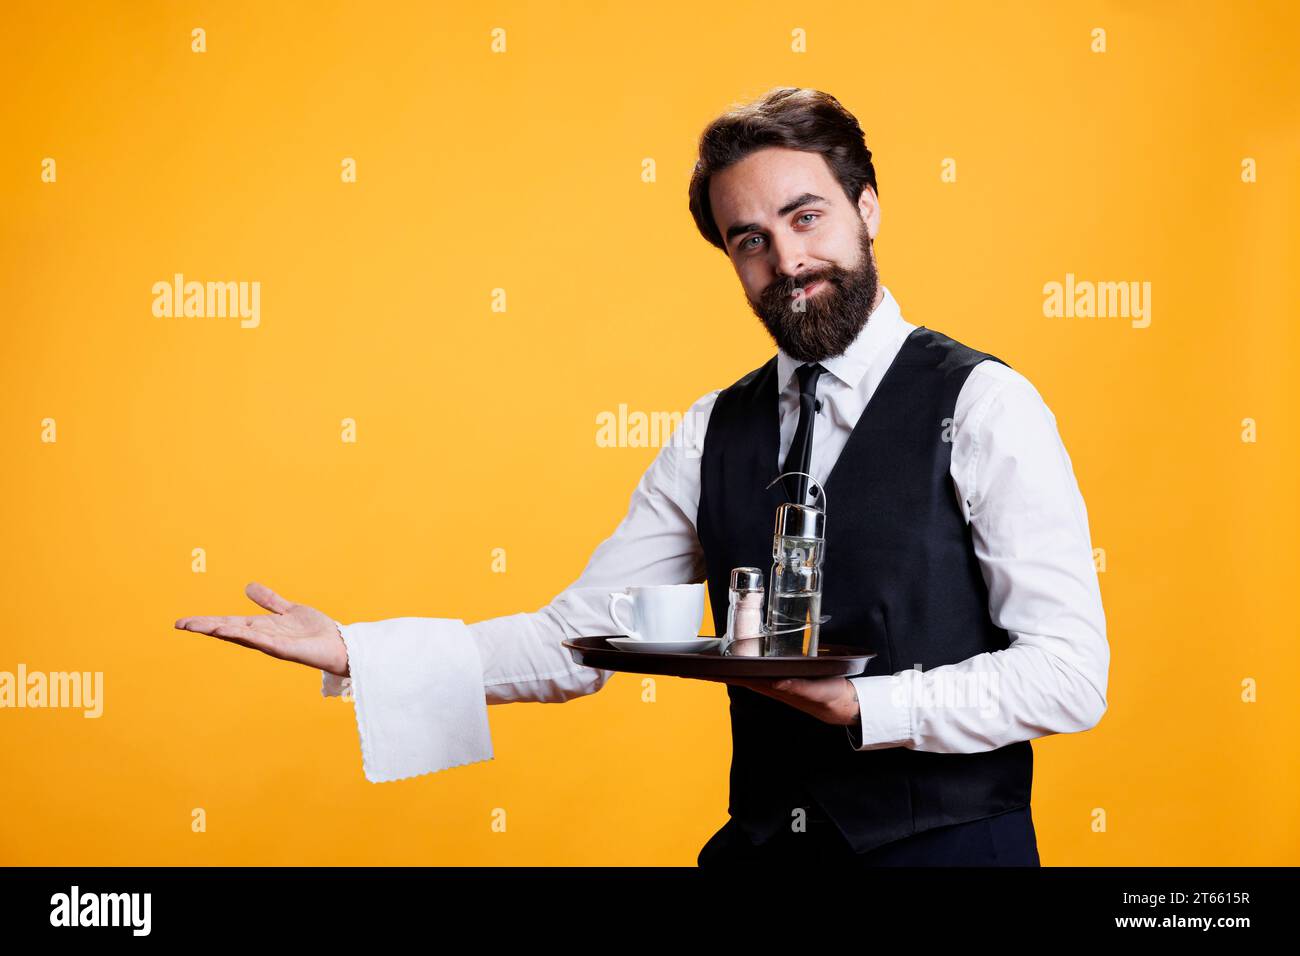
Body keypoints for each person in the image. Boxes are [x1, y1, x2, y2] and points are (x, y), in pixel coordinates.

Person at [175, 87, 1108, 867]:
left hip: (950, 854)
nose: (786, 262)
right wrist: (360, 653)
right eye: (749, 240)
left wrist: (869, 705)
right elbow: (578, 638)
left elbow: (1071, 675)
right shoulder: (713, 431)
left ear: (868, 209)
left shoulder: (985, 405)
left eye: (806, 216)